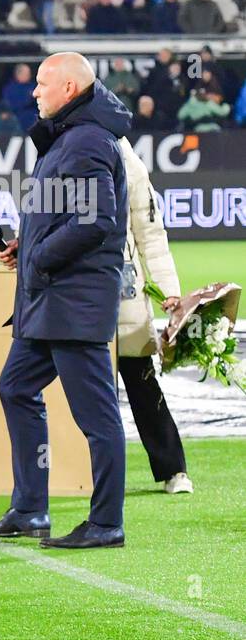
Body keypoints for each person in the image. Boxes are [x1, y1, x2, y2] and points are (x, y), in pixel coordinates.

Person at [0, 53, 131, 550]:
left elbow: (96, 221)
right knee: (16, 388)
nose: (34, 93)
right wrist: (27, 243)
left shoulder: (85, 140)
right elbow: (72, 215)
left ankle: (106, 522)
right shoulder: (72, 136)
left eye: (42, 84)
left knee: (97, 417)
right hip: (53, 301)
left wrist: (37, 258)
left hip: (73, 303)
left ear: (68, 87)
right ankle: (30, 509)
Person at [115, 138, 193, 495]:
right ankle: (68, 473)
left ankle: (173, 469)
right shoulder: (54, 147)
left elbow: (149, 230)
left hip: (122, 293)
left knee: (142, 381)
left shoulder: (125, 158)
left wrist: (168, 288)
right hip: (72, 293)